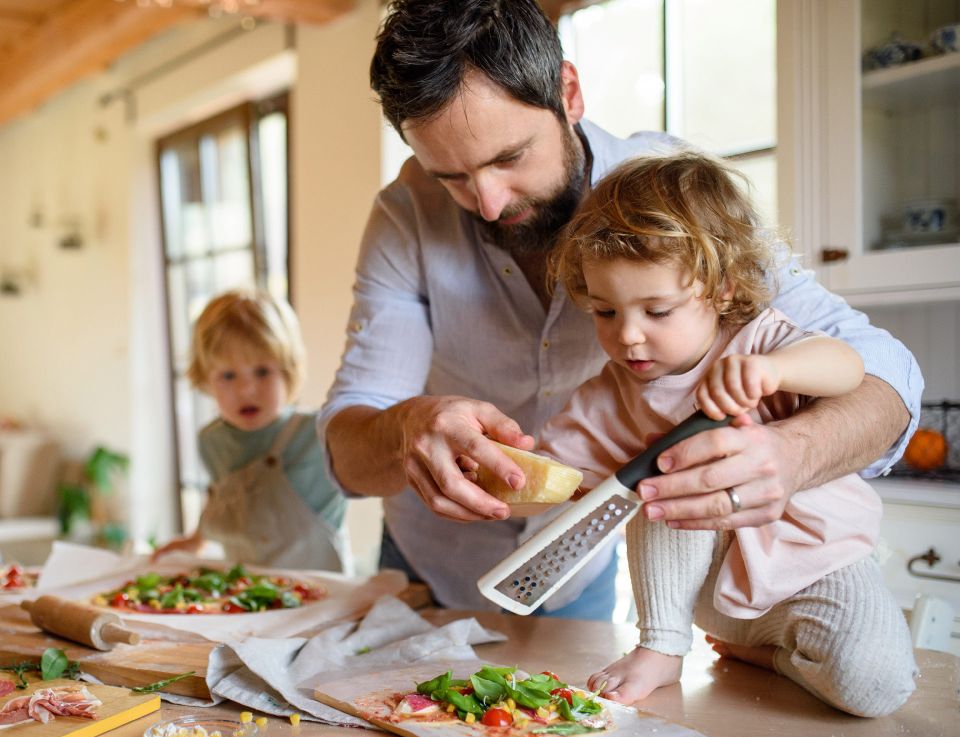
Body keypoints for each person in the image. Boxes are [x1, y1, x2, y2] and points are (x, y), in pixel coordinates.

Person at [319, 0, 922, 617]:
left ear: (569, 93)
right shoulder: (405, 217)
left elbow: (884, 370)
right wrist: (406, 428)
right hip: (426, 554)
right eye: (450, 176)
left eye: (509, 158)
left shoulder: (675, 200)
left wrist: (795, 454)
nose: (490, 202)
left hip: (577, 567)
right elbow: (347, 445)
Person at [536, 152, 916, 716]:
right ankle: (662, 648)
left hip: (816, 570)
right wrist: (494, 469)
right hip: (705, 595)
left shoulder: (764, 341)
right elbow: (549, 469)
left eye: (657, 311)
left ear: (720, 289)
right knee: (664, 472)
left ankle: (774, 657)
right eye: (605, 311)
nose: (628, 336)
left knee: (875, 688)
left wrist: (776, 372)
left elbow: (850, 368)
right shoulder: (607, 394)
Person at [155, 289, 350, 572]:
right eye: (228, 375)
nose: (246, 389)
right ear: (206, 379)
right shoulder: (210, 441)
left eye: (262, 372)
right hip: (249, 597)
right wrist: (196, 540)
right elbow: (220, 498)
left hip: (322, 598)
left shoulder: (318, 434)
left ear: (287, 370)